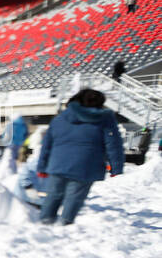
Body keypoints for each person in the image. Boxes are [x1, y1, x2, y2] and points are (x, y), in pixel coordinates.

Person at [36, 88, 123, 226]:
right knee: (75, 197)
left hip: (58, 163)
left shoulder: (60, 118)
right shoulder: (105, 119)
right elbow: (113, 144)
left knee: (53, 194)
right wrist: (116, 167)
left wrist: (42, 166)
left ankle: (44, 223)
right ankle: (65, 225)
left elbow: (46, 145)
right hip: (87, 165)